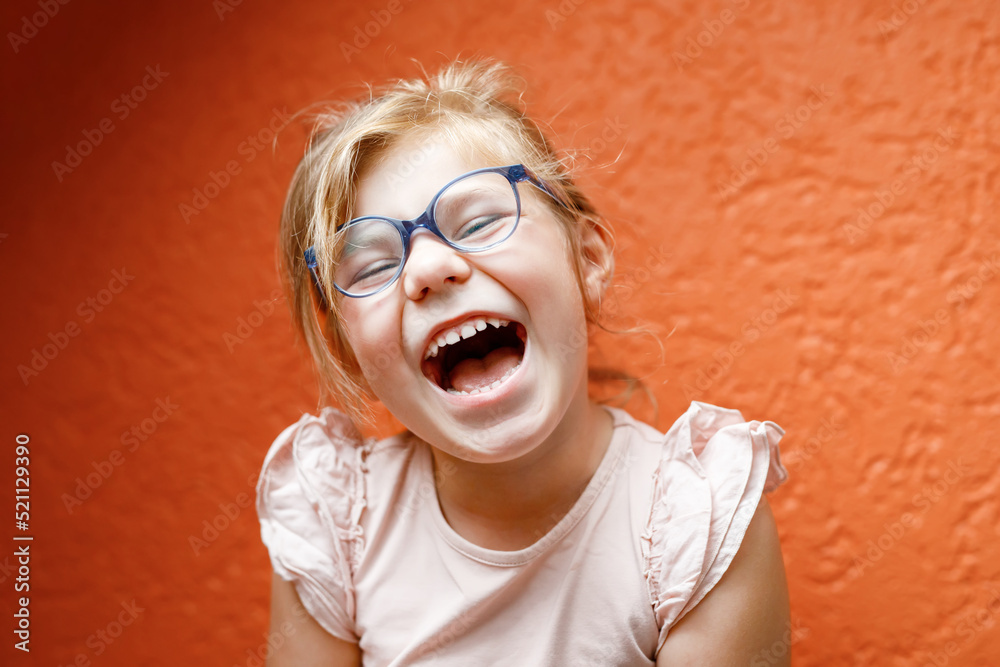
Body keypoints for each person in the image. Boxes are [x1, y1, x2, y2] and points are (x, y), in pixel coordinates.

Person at [255, 59, 792, 666]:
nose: (429, 269)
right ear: (347, 356)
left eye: (480, 221)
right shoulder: (336, 528)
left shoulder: (698, 526)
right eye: (373, 266)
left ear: (586, 261)